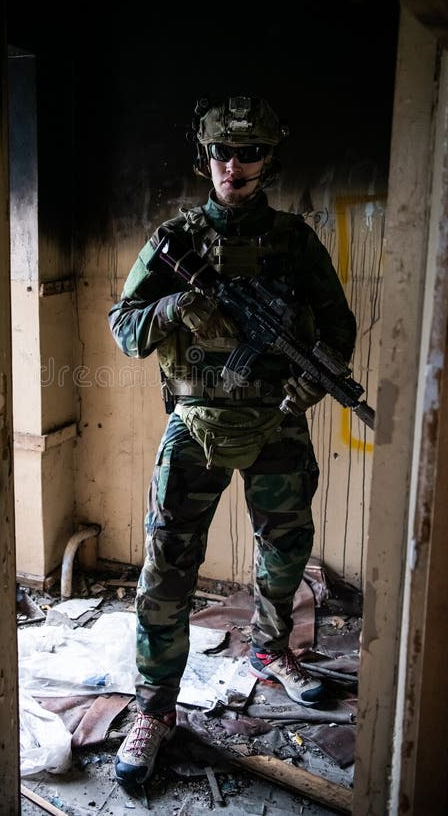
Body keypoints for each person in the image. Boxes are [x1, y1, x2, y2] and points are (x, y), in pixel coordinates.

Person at [107, 94, 357, 785]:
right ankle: (155, 709)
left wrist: (321, 378)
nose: (235, 165)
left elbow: (338, 326)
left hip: (276, 419)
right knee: (166, 575)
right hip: (195, 424)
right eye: (224, 151)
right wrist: (172, 305)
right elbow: (123, 327)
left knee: (285, 554)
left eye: (251, 153)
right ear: (204, 157)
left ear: (269, 160)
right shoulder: (175, 240)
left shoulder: (295, 242)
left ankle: (272, 652)